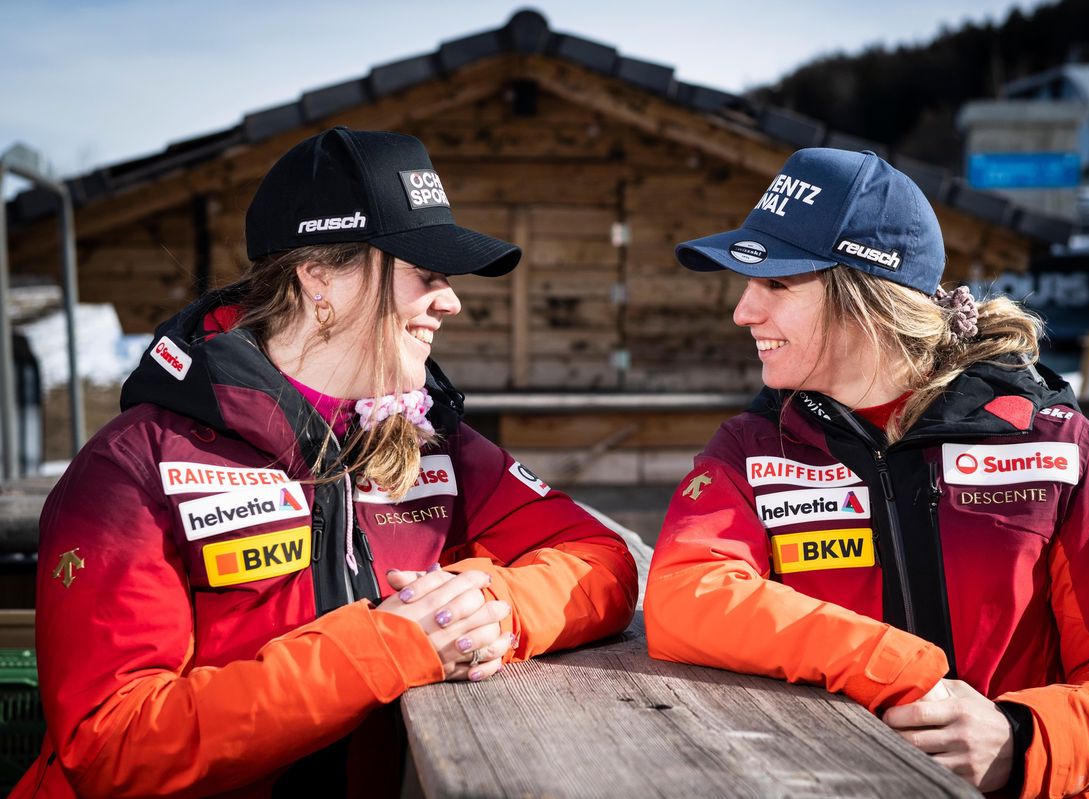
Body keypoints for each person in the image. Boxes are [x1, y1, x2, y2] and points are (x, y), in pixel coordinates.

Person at [15, 127, 638, 798]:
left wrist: (493, 605)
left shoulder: (427, 438)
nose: (450, 299)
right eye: (425, 272)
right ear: (319, 277)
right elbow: (113, 746)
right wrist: (388, 645)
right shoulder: (134, 467)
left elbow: (600, 556)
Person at [644, 148, 1089, 798]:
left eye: (776, 284)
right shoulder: (755, 447)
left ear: (865, 298)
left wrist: (1018, 739)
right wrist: (899, 669)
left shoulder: (1054, 443)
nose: (743, 311)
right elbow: (687, 595)